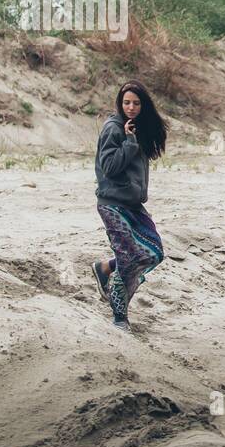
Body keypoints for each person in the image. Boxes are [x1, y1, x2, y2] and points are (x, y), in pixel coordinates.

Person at [92, 81, 167, 331]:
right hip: (112, 204)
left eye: (136, 103)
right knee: (128, 258)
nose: (131, 107)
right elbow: (110, 167)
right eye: (126, 103)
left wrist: (135, 137)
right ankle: (119, 318)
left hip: (133, 205)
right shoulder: (114, 128)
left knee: (153, 252)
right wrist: (130, 142)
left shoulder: (135, 128)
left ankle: (105, 267)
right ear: (120, 103)